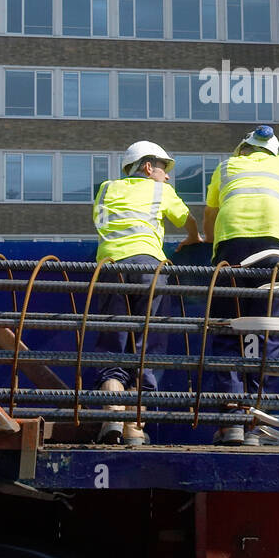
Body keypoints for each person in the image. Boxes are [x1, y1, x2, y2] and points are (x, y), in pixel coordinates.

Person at [202, 125, 279, 444]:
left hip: (232, 252)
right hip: (278, 254)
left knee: (229, 333)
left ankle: (232, 422)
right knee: (266, 335)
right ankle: (255, 423)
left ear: (244, 149)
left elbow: (209, 218)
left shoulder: (226, 167)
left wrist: (209, 242)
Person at [91, 140, 201, 444]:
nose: (167, 177)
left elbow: (99, 222)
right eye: (163, 169)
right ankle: (135, 429)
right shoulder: (160, 191)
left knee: (113, 346)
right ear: (148, 167)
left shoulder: (105, 189)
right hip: (147, 267)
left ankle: (112, 418)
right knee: (148, 347)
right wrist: (194, 237)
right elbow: (187, 220)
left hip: (109, 268)